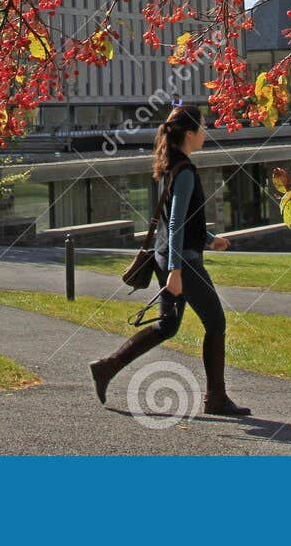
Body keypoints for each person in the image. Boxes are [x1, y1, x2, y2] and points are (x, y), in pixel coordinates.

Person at [88, 104, 251, 417]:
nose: (206, 132)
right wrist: (176, 270)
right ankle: (216, 398)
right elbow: (175, 222)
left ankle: (106, 367)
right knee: (216, 323)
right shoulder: (185, 170)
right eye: (203, 127)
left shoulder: (170, 165)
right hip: (182, 263)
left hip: (168, 256)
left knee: (167, 326)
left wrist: (207, 239)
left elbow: (179, 221)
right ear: (189, 134)